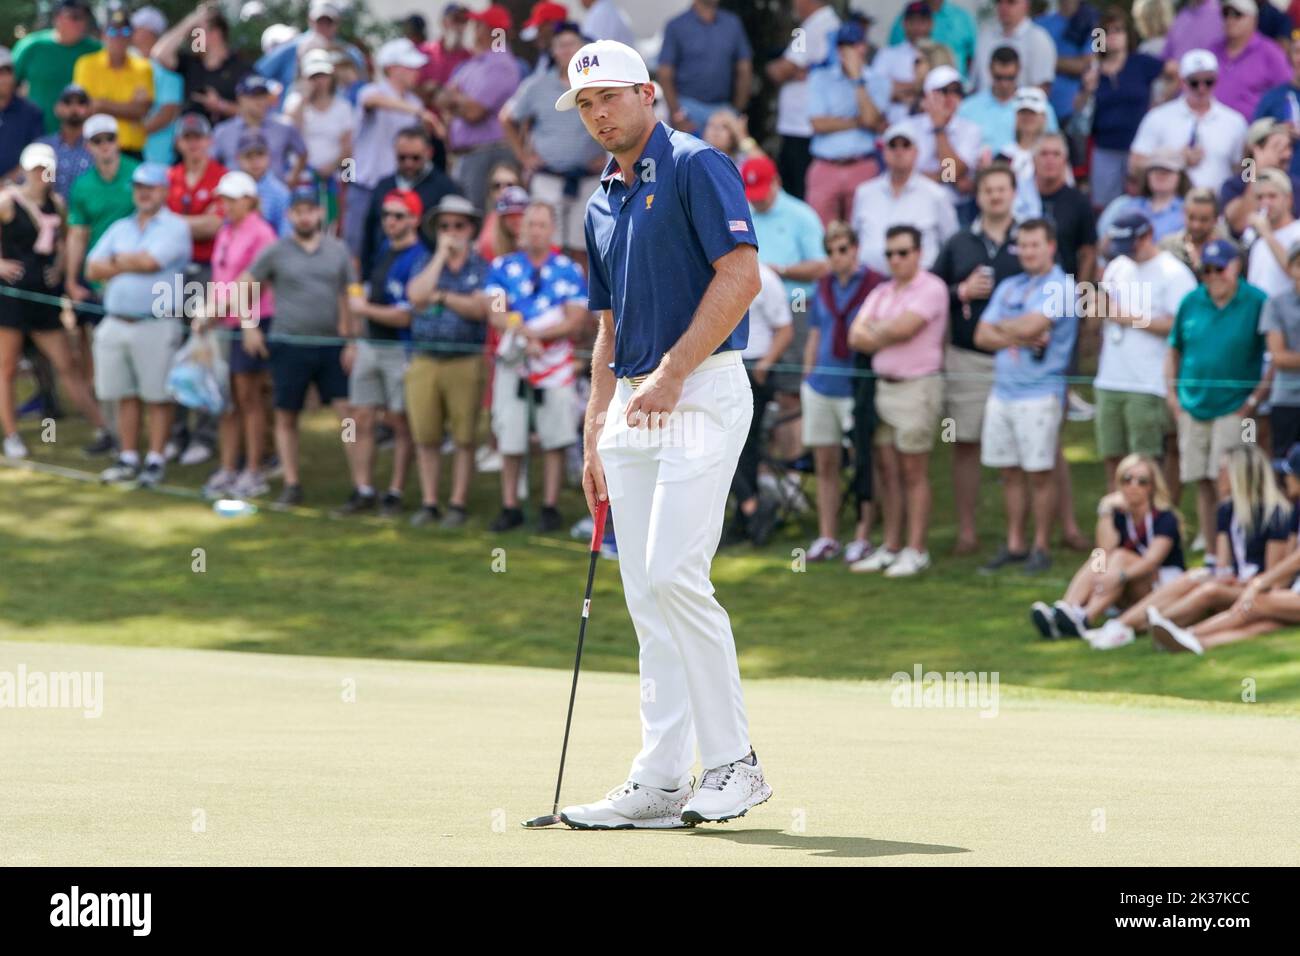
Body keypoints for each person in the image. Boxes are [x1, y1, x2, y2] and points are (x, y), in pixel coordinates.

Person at [558, 39, 770, 828]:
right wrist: (593, 430)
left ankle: (735, 765)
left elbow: (742, 276)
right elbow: (608, 329)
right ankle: (659, 779)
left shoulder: (695, 163)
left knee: (677, 573)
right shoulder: (598, 203)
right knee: (647, 595)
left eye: (609, 96)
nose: (599, 113)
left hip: (702, 392)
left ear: (648, 93)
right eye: (585, 105)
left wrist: (676, 372)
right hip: (630, 411)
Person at [241, 186, 357, 506]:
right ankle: (292, 483)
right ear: (290, 215)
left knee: (347, 416)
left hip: (331, 344)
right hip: (288, 343)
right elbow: (243, 285)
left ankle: (362, 485)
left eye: (310, 210)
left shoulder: (338, 250)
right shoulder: (277, 251)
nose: (304, 216)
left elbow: (351, 295)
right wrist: (249, 326)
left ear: (320, 213)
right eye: (298, 210)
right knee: (286, 414)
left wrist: (352, 340)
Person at [975, 218, 1077, 574]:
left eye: (1035, 244)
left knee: (1039, 473)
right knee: (1010, 472)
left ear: (1050, 246)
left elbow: (1033, 325)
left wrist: (1007, 328)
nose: (1028, 252)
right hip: (1003, 391)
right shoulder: (1009, 285)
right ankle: (1016, 543)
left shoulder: (1061, 285)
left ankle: (1041, 546)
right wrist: (1017, 334)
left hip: (1041, 391)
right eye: (1023, 245)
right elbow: (979, 335)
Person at [931, 163, 1023, 555]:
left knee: (1017, 448)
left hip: (1018, 359)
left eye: (1002, 189)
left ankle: (1018, 535)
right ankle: (968, 531)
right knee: (965, 443)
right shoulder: (958, 242)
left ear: (1013, 193)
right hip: (967, 357)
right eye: (988, 190)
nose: (995, 196)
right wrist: (960, 291)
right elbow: (933, 292)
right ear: (979, 196)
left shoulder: (1031, 239)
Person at [847, 225, 948, 577]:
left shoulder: (932, 288)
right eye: (890, 253)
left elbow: (906, 329)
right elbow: (855, 336)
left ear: (919, 253)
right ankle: (891, 545)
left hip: (917, 387)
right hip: (883, 388)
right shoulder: (882, 291)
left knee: (913, 471)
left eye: (903, 252)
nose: (896, 260)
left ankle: (916, 548)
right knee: (887, 470)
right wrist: (883, 331)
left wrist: (877, 330)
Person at [481, 202, 587, 533]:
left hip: (554, 364)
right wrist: (526, 335)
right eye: (529, 224)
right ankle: (510, 505)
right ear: (520, 229)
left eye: (541, 224)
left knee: (555, 436)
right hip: (514, 360)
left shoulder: (569, 269)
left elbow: (575, 319)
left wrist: (538, 336)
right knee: (509, 434)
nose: (534, 230)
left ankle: (549, 507)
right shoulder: (502, 266)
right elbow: (496, 312)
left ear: (551, 228)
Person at [87, 163, 192, 487]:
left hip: (156, 323)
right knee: (124, 393)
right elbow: (91, 268)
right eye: (139, 188)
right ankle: (128, 456)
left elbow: (152, 262)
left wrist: (116, 262)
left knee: (158, 395)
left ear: (164, 190)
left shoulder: (175, 227)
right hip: (116, 321)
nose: (143, 193)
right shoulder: (121, 227)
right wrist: (130, 261)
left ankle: (156, 459)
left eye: (150, 187)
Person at [0, 144, 105, 459]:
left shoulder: (57, 204)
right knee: (5, 370)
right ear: (26, 169)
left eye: (46, 168)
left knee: (66, 366)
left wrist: (59, 268)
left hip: (45, 300)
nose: (41, 175)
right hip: (12, 300)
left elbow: (64, 243)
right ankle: (12, 435)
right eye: (35, 168)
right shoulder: (7, 201)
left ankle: (103, 428)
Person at [1167, 238, 1270, 549]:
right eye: (1206, 270)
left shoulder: (1256, 301)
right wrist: (1173, 397)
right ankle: (1213, 551)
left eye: (1219, 269)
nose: (1212, 275)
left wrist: (1253, 402)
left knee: (1229, 481)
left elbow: (1274, 357)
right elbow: (1174, 349)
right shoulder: (1191, 301)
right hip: (1192, 406)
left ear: (1236, 267)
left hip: (1235, 408)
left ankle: (1237, 550)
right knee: (1202, 480)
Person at [1138, 446, 1292, 649]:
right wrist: (1222, 576)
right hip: (1240, 583)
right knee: (1194, 577)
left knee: (1210, 590)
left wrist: (1240, 583)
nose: (1217, 476)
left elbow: (1274, 577)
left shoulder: (1275, 514)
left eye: (1222, 470)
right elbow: (1222, 563)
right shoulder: (1226, 510)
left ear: (1239, 475)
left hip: (1260, 588)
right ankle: (1135, 621)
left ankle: (1157, 623)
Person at [336, 189, 428, 517]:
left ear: (414, 219)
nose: (390, 220)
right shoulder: (381, 250)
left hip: (400, 348)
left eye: (399, 215)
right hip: (370, 345)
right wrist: (354, 339)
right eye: (387, 215)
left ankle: (395, 492)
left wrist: (364, 310)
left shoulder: (419, 258)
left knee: (400, 422)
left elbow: (406, 315)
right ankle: (363, 488)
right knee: (359, 415)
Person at [1031, 453, 1185, 644]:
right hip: (1123, 582)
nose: (1133, 486)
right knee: (1100, 558)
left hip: (1158, 586)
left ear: (1152, 487)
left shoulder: (1165, 518)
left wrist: (1118, 576)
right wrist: (1105, 510)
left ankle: (1085, 617)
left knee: (1120, 556)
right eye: (1127, 479)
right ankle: (1066, 610)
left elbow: (1151, 561)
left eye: (1142, 481)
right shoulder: (1119, 514)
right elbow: (1103, 550)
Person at [1092, 213, 1198, 487]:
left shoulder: (1173, 273)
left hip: (1148, 381)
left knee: (1146, 461)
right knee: (1112, 455)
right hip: (1110, 376)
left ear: (1148, 235)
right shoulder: (1117, 266)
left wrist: (1129, 318)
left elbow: (1182, 326)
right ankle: (1118, 518)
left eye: (1132, 245)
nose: (1127, 252)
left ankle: (1153, 520)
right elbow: (1103, 310)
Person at [405, 195, 491, 528]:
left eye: (459, 225)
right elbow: (415, 295)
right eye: (444, 226)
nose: (452, 232)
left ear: (470, 229)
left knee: (464, 436)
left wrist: (440, 297)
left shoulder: (481, 266)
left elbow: (481, 309)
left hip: (465, 359)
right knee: (425, 435)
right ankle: (429, 503)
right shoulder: (425, 260)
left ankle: (457, 503)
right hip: (425, 358)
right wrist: (441, 257)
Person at [796, 221, 880, 562]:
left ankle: (863, 534)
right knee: (825, 462)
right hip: (822, 384)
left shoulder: (875, 284)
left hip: (856, 384)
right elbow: (816, 333)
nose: (836, 257)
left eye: (843, 249)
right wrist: (806, 376)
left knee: (863, 461)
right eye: (830, 251)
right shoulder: (824, 286)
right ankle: (827, 535)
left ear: (855, 249)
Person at [501, 21, 607, 265]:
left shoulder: (596, 85)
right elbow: (507, 117)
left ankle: (582, 301)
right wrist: (523, 157)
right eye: (561, 45)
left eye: (573, 45)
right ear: (553, 50)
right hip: (548, 178)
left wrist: (608, 155)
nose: (567, 51)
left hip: (588, 178)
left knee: (586, 247)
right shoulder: (537, 86)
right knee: (547, 244)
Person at [199, 170, 277, 500]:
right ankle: (229, 467)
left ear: (249, 200)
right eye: (223, 199)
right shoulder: (226, 231)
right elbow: (221, 280)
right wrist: (207, 311)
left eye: (231, 199)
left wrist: (223, 315)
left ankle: (254, 469)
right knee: (227, 400)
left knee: (249, 399)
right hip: (226, 324)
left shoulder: (263, 234)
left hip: (253, 323)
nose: (225, 205)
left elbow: (255, 285)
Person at [346, 39, 437, 257]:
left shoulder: (414, 101)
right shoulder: (372, 91)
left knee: (391, 247)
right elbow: (373, 101)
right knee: (356, 244)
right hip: (366, 185)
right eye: (410, 67)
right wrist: (418, 113)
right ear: (392, 69)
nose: (417, 72)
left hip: (398, 188)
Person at [728, 261, 793, 547]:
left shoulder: (766, 277)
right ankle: (750, 508)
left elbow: (784, 329)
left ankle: (749, 511)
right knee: (731, 445)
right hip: (727, 365)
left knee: (743, 444)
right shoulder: (720, 274)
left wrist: (764, 365)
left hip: (756, 368)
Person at [439, 5, 522, 211]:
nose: (474, 30)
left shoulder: (502, 64)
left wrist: (455, 101)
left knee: (478, 217)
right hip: (468, 155)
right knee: (465, 214)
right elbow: (441, 98)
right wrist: (458, 101)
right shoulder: (474, 63)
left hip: (489, 153)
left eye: (479, 25)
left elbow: (474, 112)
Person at [1130, 49, 1248, 192]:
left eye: (1208, 81)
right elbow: (1134, 165)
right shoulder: (1158, 117)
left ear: (1217, 81)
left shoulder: (1234, 122)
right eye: (1194, 82)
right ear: (1182, 82)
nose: (1201, 88)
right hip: (1170, 205)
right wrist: (1173, 160)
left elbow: (1243, 168)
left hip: (1218, 205)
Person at [1081, 6, 1163, 211]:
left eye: (1118, 30)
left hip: (1139, 148)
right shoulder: (1094, 71)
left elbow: (1174, 72)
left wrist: (1161, 102)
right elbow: (1079, 116)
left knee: (1143, 201)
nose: (1113, 36)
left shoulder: (1140, 63)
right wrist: (1087, 90)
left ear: (1128, 34)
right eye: (1107, 32)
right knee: (1106, 207)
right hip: (1105, 147)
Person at [804, 20, 885, 225]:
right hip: (826, 164)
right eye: (843, 46)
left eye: (853, 45)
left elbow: (872, 120)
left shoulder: (878, 79)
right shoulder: (820, 77)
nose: (847, 51)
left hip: (862, 163)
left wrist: (858, 79)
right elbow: (818, 124)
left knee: (861, 230)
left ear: (863, 47)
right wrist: (856, 122)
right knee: (820, 232)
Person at [850, 124, 958, 276]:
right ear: (883, 152)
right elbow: (855, 239)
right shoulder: (864, 192)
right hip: (868, 281)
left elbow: (951, 244)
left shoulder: (936, 194)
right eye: (893, 146)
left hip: (920, 282)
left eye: (906, 145)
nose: (899, 151)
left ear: (916, 152)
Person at [361, 127, 460, 278]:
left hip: (428, 271)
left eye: (415, 158)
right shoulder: (383, 186)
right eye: (402, 157)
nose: (408, 163)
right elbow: (369, 231)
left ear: (429, 153)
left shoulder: (445, 187)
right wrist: (365, 275)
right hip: (383, 268)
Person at [765, 0, 840, 200]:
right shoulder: (831, 22)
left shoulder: (811, 28)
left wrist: (771, 67)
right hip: (808, 122)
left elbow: (781, 70)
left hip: (801, 125)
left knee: (797, 191)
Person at [657, 0, 753, 134]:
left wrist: (737, 111)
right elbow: (665, 74)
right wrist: (677, 114)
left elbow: (744, 69)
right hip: (688, 109)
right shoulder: (676, 26)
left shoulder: (732, 23)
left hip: (723, 109)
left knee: (724, 155)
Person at [71, 8, 153, 159]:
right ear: (103, 35)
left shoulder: (143, 67)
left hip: (131, 150)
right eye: (113, 32)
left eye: (126, 32)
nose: (119, 37)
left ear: (132, 36)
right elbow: (85, 107)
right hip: (96, 148)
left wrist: (102, 104)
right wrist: (128, 108)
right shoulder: (86, 64)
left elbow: (141, 111)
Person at [284, 50, 353, 227]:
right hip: (302, 177)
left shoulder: (343, 106)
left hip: (332, 179)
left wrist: (338, 171)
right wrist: (304, 97)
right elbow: (290, 133)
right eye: (314, 76)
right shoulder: (294, 102)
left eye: (323, 75)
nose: (319, 81)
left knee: (331, 225)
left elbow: (348, 147)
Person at [12, 0, 100, 134]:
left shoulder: (96, 50)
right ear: (57, 18)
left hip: (84, 138)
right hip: (36, 132)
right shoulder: (32, 46)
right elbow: (7, 83)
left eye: (84, 17)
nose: (81, 23)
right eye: (74, 17)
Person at [895, 65, 982, 202]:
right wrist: (946, 178)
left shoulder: (970, 130)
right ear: (927, 95)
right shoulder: (906, 127)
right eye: (944, 91)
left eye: (956, 91)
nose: (951, 97)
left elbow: (951, 173)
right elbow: (899, 174)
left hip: (954, 205)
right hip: (912, 202)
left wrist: (939, 129)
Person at [153, 4, 246, 126]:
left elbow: (255, 111)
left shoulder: (241, 68)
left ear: (215, 33)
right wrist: (192, 18)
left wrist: (220, 105)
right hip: (188, 140)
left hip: (225, 142)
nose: (191, 37)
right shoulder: (190, 64)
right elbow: (159, 53)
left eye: (197, 31)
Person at [959, 45, 1059, 153]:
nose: (1004, 84)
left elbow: (1053, 146)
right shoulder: (968, 108)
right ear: (990, 70)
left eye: (1010, 78)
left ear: (1019, 70)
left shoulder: (1040, 108)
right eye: (999, 77)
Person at [211, 76, 307, 185]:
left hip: (274, 197)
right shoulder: (223, 131)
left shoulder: (284, 126)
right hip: (236, 197)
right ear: (240, 98)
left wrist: (293, 177)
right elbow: (211, 162)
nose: (260, 102)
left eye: (263, 96)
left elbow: (302, 152)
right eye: (254, 96)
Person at [167, 114, 226, 282]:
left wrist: (171, 220)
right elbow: (157, 224)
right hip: (173, 263)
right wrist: (200, 219)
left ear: (209, 140)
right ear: (178, 142)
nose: (193, 143)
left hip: (210, 263)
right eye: (187, 138)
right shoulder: (169, 177)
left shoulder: (223, 177)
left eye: (198, 137)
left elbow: (214, 225)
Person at [1209, 0, 1290, 120]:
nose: (1230, 19)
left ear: (1254, 19)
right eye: (1225, 13)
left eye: (1237, 14)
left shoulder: (1270, 52)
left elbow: (1287, 94)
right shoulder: (1212, 50)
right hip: (1212, 129)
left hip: (1252, 132)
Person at [1222, 118, 1298, 237]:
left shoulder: (1295, 185)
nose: (1287, 154)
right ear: (1256, 150)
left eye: (1289, 147)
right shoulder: (1234, 185)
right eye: (1278, 147)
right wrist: (1257, 173)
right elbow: (1239, 225)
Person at [1260, 241, 1300, 458]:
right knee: (1283, 468)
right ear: (1291, 268)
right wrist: (1287, 358)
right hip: (1287, 399)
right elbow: (1279, 357)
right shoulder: (1276, 304)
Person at [973, 0, 1057, 94]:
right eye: (1000, 2)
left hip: (1022, 106)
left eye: (1011, 2)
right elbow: (976, 83)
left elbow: (1042, 88)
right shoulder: (985, 37)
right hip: (982, 106)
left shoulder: (1039, 39)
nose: (1003, 7)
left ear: (1026, 5)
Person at [1250, 32, 1300, 183]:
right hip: (1275, 188)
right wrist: (1277, 132)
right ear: (1290, 57)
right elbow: (1251, 147)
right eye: (1298, 52)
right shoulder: (1272, 98)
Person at [887, 0, 977, 79]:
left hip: (956, 89)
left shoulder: (962, 18)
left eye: (922, 22)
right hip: (910, 89)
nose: (917, 27)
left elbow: (972, 58)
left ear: (931, 24)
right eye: (913, 22)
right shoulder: (904, 18)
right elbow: (894, 55)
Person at [1245, 168, 1300, 297]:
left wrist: (1267, 234)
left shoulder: (1297, 230)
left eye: (1272, 196)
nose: (1265, 202)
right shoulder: (1258, 241)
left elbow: (1295, 271)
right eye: (1260, 197)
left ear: (1289, 199)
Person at [0, 47, 47, 179]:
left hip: (18, 192)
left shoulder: (31, 113)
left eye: (7, 72)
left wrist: (5, 183)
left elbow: (37, 156)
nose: (3, 79)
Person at [1158, 186, 1229, 270]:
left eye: (1204, 220)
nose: (1196, 225)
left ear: (1216, 219)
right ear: (1183, 213)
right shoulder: (1167, 247)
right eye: (1191, 218)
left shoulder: (1228, 250)